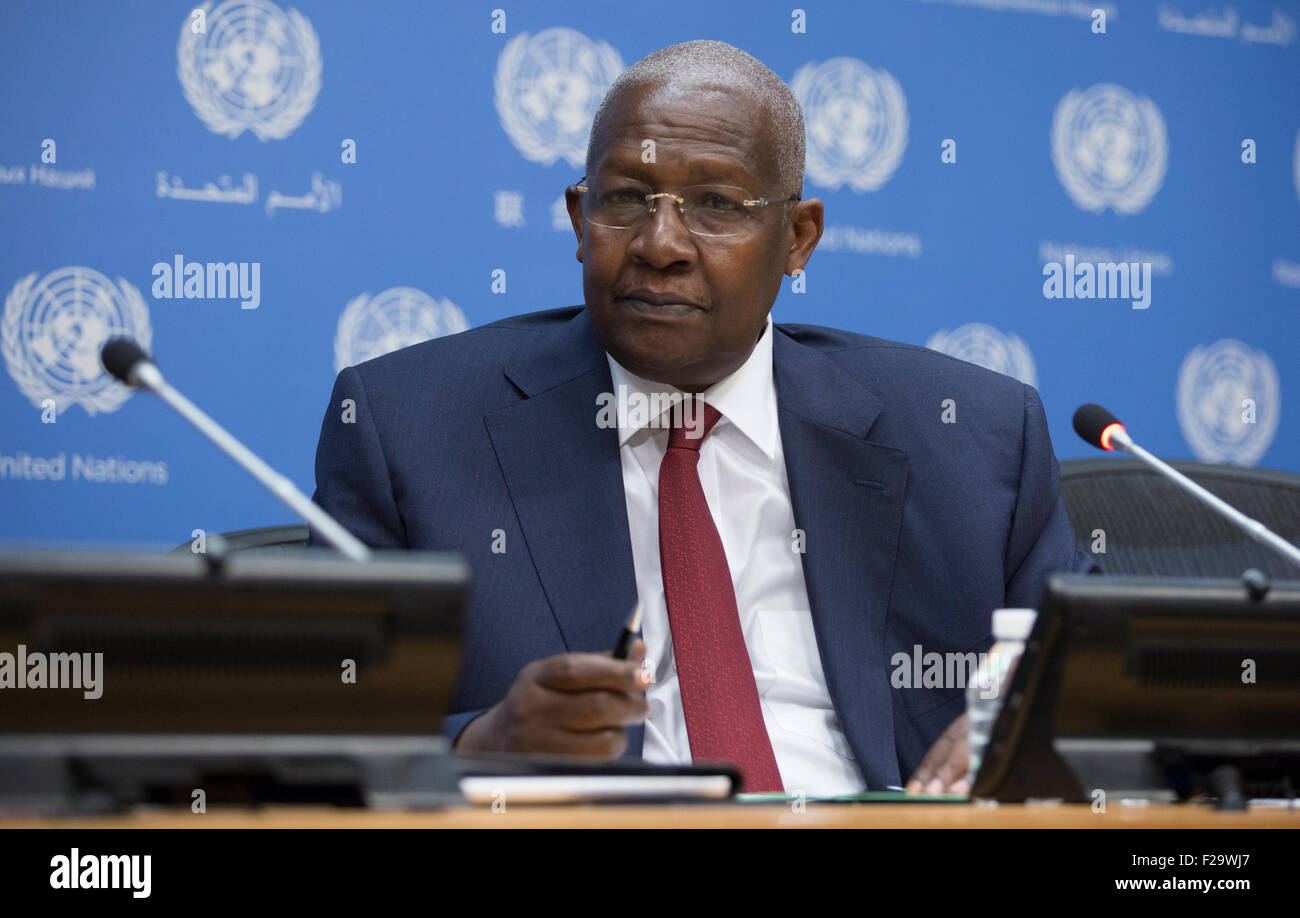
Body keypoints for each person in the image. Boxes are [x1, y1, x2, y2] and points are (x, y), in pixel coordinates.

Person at [309, 40, 1096, 796]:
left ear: (798, 238)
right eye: (624, 200)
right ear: (580, 222)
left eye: (716, 205)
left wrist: (1037, 725)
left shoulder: (972, 436)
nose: (661, 245)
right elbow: (314, 725)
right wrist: (481, 745)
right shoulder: (408, 428)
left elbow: (1100, 682)